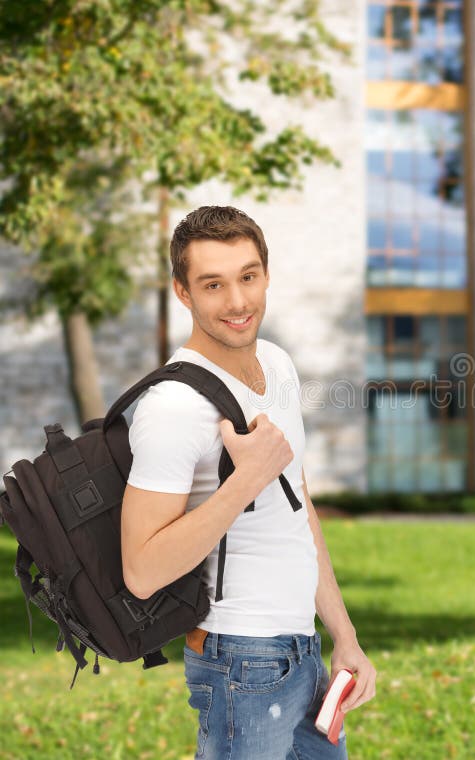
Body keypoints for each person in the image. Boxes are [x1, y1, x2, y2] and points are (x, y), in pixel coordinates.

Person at [120, 205, 376, 759]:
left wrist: (343, 634)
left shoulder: (277, 366)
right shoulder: (173, 406)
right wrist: (244, 481)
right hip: (238, 660)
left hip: (302, 652)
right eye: (213, 284)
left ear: (265, 274)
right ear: (183, 293)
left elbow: (296, 510)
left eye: (248, 276)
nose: (237, 302)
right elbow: (141, 571)